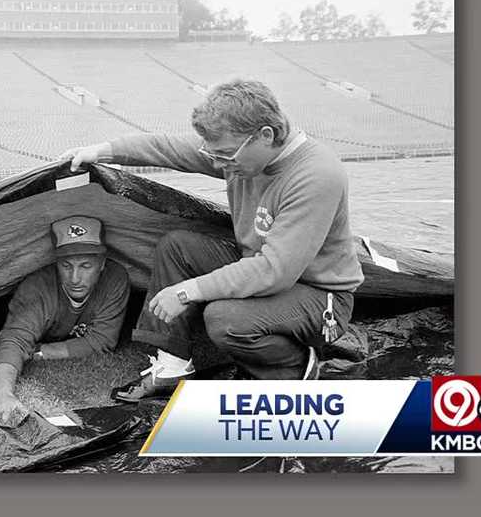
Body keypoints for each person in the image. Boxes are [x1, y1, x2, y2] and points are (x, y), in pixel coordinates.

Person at [60, 79, 363, 399]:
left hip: (318, 295)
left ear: (265, 136)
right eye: (214, 155)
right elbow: (167, 148)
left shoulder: (315, 175)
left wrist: (188, 291)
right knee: (178, 247)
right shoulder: (241, 153)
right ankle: (172, 368)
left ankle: (294, 367)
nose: (218, 165)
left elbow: (275, 270)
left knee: (223, 320)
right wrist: (101, 151)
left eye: (226, 157)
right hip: (262, 269)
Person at [0, 216, 131, 427]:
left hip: (46, 341)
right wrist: (2, 393)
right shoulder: (37, 287)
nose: (74, 278)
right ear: (56, 263)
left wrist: (40, 352)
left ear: (102, 264)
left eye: (85, 266)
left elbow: (102, 341)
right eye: (66, 266)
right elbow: (14, 339)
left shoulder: (115, 278)